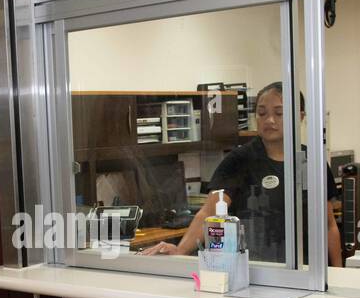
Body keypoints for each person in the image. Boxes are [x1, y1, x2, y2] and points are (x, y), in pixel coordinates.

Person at [144, 83, 342, 266]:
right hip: (257, 269)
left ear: (300, 117)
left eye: (279, 113)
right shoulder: (240, 159)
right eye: (262, 113)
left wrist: (338, 274)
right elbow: (208, 212)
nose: (269, 120)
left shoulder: (311, 160)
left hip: (308, 271)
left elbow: (328, 225)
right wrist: (180, 251)